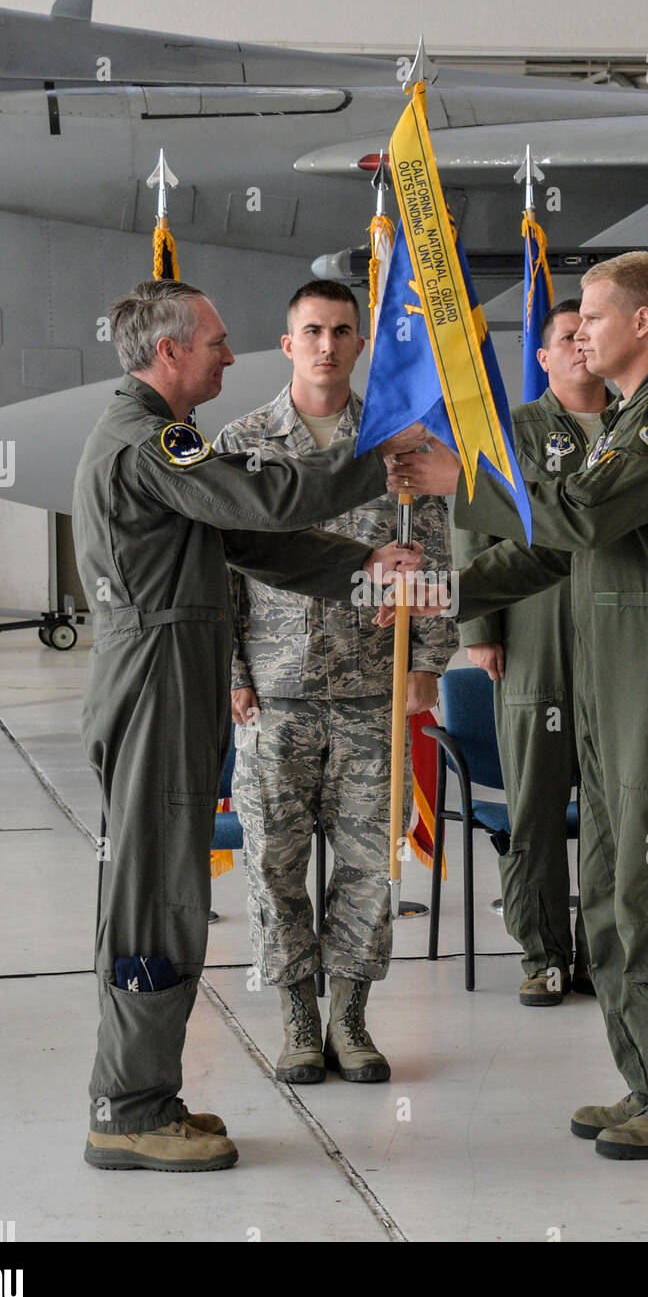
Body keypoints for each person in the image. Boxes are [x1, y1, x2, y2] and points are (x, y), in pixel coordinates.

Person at [382, 252, 648, 1160]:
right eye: (574, 324)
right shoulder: (624, 417)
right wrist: (444, 591)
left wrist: (463, 480)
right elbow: (555, 551)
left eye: (592, 319)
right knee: (614, 888)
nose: (578, 335)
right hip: (612, 680)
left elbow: (578, 518)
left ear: (642, 324)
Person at [73, 279, 425, 1172]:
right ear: (168, 353)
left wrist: (363, 566)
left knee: (168, 885)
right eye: (217, 342)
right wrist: (374, 459)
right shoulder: (149, 439)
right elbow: (260, 502)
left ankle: (148, 1094)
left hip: (171, 677)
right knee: (155, 894)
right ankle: (127, 1109)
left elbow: (253, 541)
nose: (231, 356)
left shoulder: (162, 439)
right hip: (156, 680)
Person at [213, 280, 455, 1086]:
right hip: (275, 692)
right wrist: (232, 674)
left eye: (341, 330)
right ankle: (296, 1020)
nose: (325, 344)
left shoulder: (399, 446)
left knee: (367, 865)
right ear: (288, 344)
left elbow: (434, 560)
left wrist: (426, 663)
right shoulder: (244, 442)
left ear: (358, 344)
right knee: (272, 865)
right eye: (311, 330)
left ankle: (349, 1020)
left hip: (369, 691)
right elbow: (221, 571)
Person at [453, 299, 612, 1007]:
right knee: (534, 809)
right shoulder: (513, 432)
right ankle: (542, 955)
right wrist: (479, 630)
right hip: (532, 636)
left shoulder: (632, 427)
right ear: (543, 357)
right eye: (567, 337)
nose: (581, 346)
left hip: (616, 643)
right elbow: (473, 527)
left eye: (589, 335)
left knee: (612, 811)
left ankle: (603, 955)